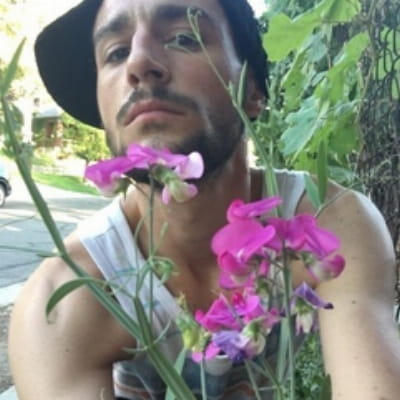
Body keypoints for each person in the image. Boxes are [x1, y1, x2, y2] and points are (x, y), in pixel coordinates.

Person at [8, 0, 400, 399]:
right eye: (117, 52)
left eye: (183, 38)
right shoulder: (69, 294)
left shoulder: (330, 221)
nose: (139, 62)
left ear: (251, 91)